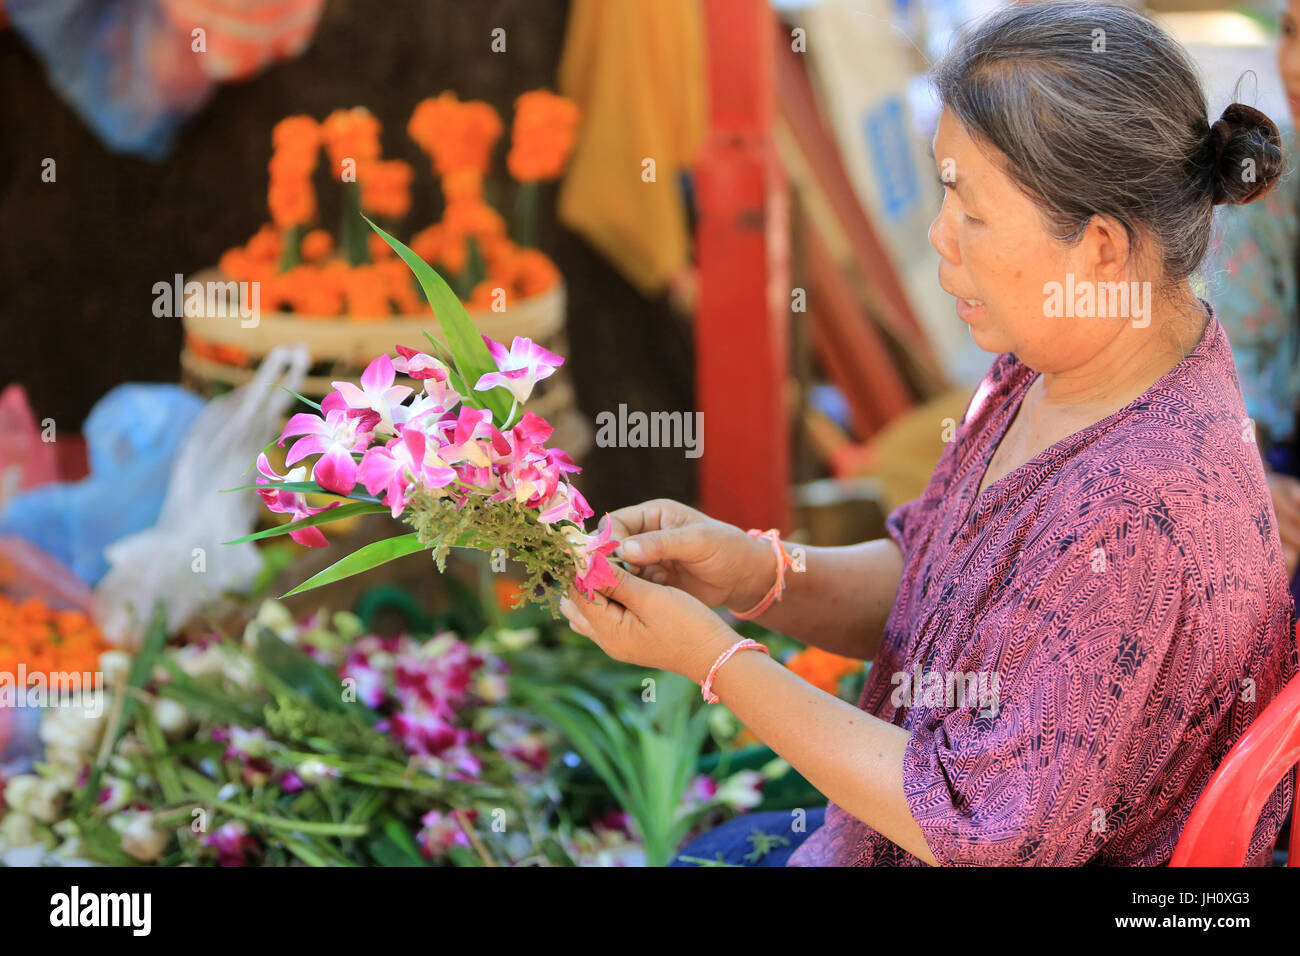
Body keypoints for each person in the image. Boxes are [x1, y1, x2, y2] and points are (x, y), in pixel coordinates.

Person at [558, 1, 1299, 867]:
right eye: (944, 190)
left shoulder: (1137, 508)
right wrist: (757, 572)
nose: (941, 239)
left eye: (972, 212)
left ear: (1100, 246)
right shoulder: (1062, 359)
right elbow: (933, 576)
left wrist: (719, 663)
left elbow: (977, 824)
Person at [1210, 0, 1300, 605]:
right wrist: (1256, 476)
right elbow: (1237, 366)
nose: (1293, 64)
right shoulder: (1268, 190)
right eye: (1291, 31)